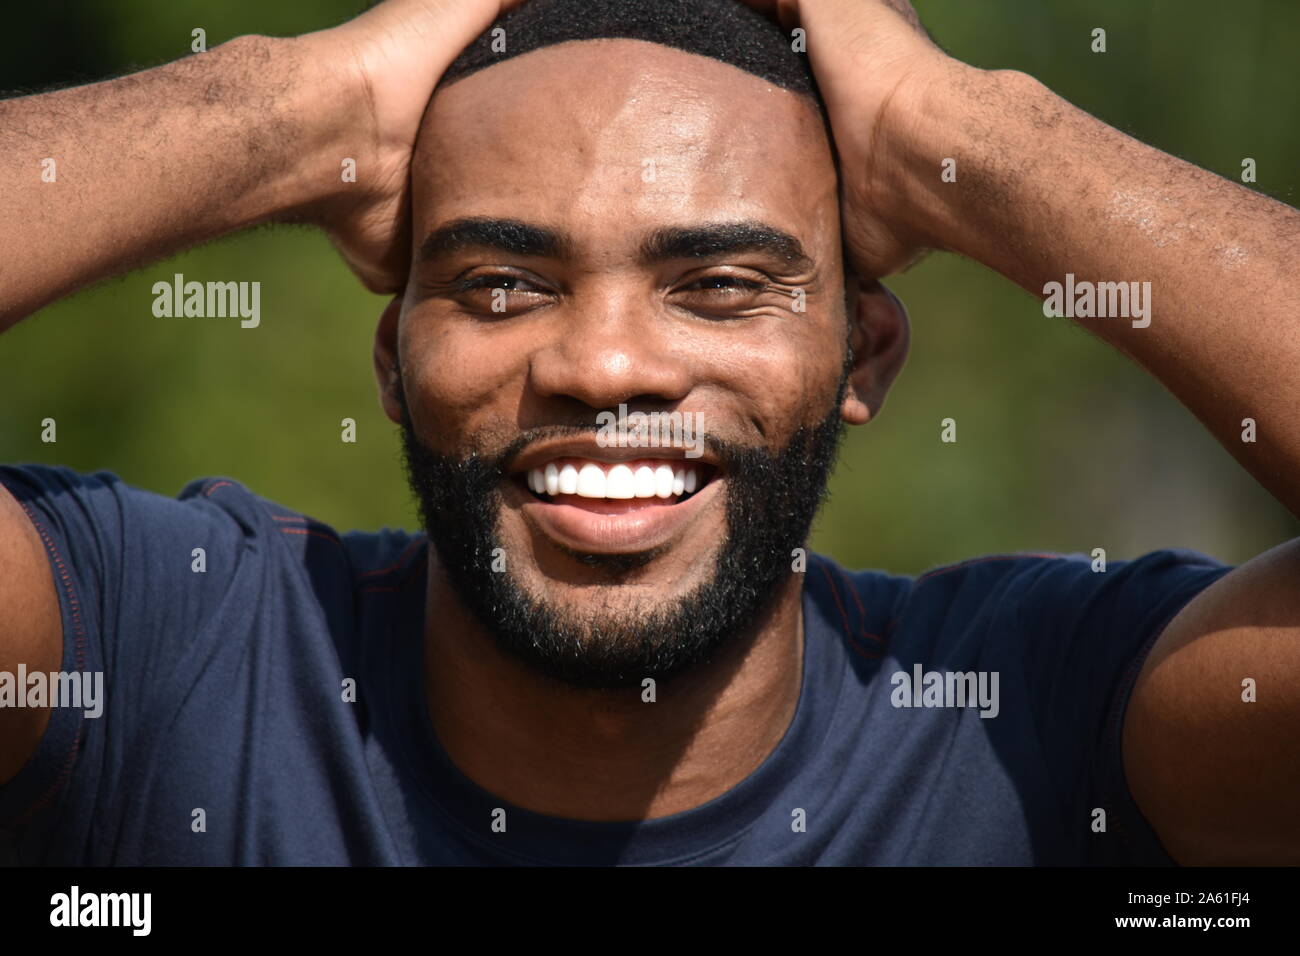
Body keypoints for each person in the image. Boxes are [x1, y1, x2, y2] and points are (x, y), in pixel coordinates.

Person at [0, 0, 1296, 866]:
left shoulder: (1036, 728)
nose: (604, 364)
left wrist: (967, 135)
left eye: (721, 287)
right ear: (395, 363)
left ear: (863, 356)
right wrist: (288, 111)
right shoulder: (169, 662)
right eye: (502, 287)